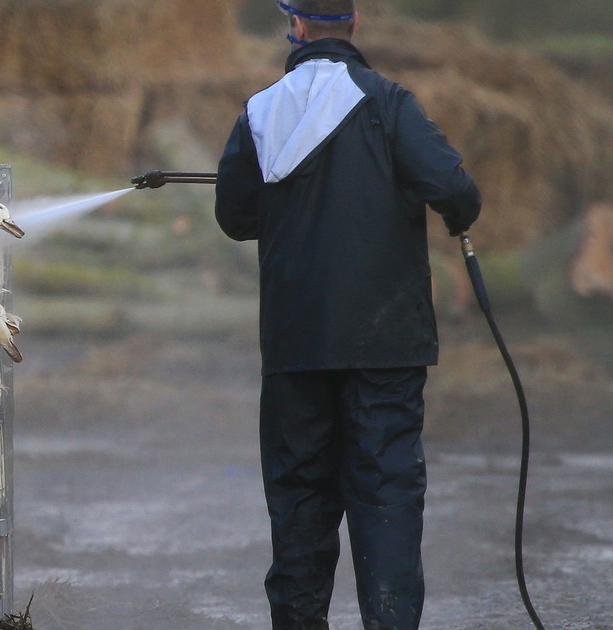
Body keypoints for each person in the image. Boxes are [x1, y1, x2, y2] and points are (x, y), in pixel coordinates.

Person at [214, 1, 482, 628]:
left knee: (300, 502)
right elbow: (454, 189)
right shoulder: (390, 103)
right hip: (386, 347)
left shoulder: (260, 110)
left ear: (297, 25)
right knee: (385, 497)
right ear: (354, 25)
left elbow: (235, 218)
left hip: (295, 347)